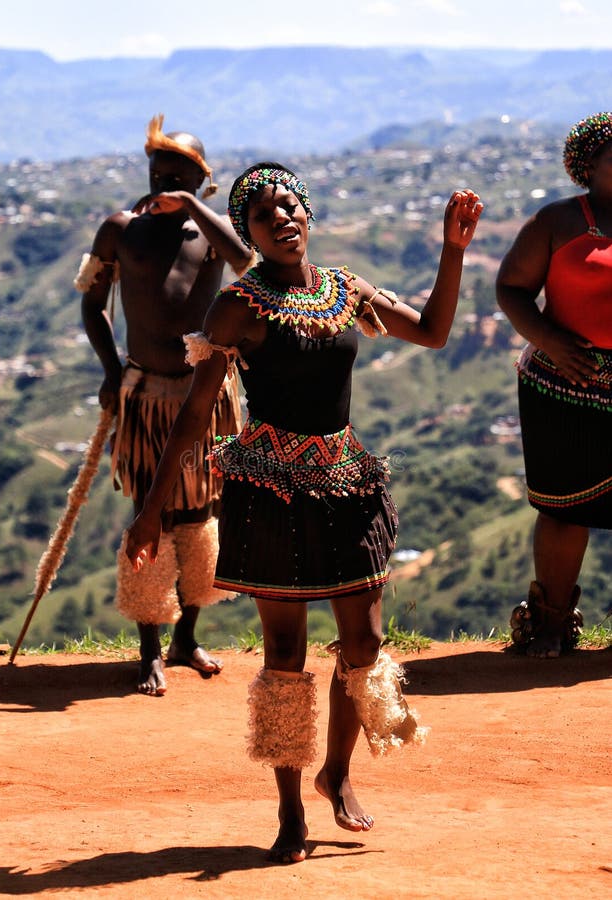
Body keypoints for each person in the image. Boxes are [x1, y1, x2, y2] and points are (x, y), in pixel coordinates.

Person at [125, 163, 483, 861]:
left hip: (347, 482)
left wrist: (453, 250)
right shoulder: (239, 307)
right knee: (285, 655)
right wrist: (150, 510)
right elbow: (197, 412)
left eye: (289, 206)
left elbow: (435, 332)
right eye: (264, 216)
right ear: (252, 234)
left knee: (363, 646)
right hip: (273, 492)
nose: (281, 219)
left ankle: (336, 775)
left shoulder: (346, 290)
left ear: (308, 214)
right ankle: (289, 810)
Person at [77, 114, 253, 695]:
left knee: (202, 512)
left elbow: (246, 262)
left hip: (205, 392)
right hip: (146, 393)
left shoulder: (213, 230)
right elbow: (92, 302)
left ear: (202, 179)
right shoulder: (119, 230)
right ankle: (150, 645)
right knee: (152, 511)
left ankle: (187, 637)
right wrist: (109, 369)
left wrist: (196, 208)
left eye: (179, 176)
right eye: (159, 173)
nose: (165, 184)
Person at [496, 111, 612, 658]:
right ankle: (551, 625)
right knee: (564, 510)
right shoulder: (557, 222)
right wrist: (551, 341)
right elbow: (512, 289)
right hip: (563, 385)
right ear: (588, 166)